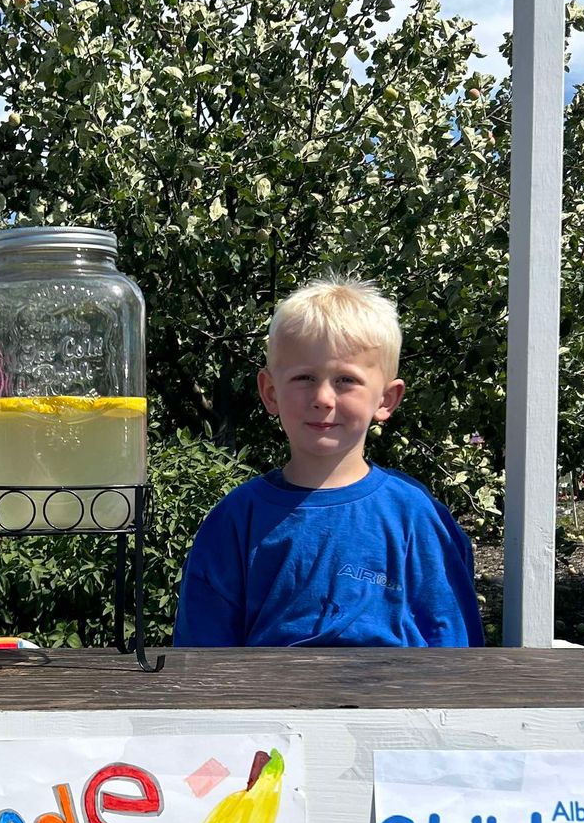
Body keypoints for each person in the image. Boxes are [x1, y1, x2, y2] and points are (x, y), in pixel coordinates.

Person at [173, 276, 484, 648]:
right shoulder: (235, 520)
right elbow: (203, 658)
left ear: (386, 399)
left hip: (398, 704)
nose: (322, 398)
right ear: (270, 392)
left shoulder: (415, 516)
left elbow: (455, 650)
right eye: (304, 377)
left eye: (345, 380)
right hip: (268, 704)